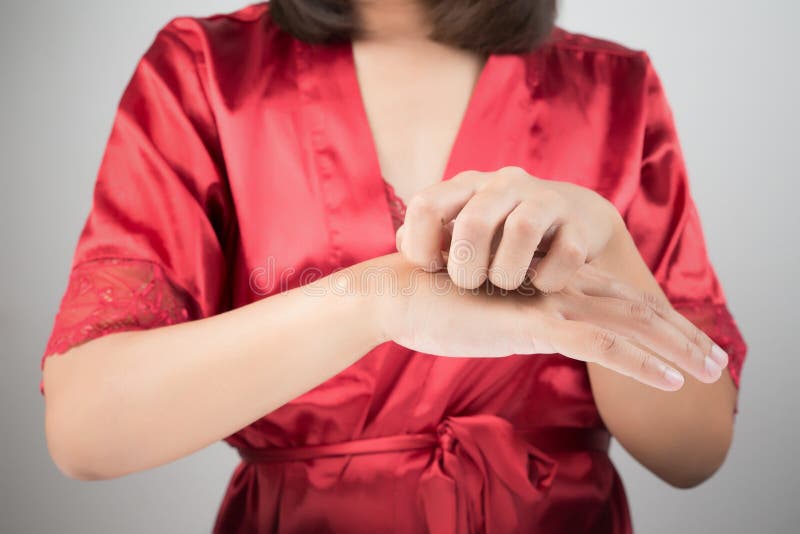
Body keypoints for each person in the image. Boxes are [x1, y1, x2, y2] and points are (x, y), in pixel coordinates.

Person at [39, 1, 748, 532]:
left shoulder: (614, 88)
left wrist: (607, 247)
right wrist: (376, 301)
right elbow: (86, 427)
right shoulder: (204, 72)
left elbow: (693, 450)